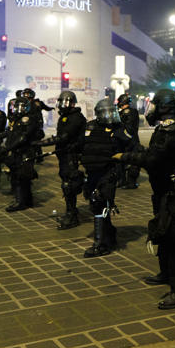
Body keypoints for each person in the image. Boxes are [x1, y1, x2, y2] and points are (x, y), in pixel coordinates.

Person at [114, 89, 175, 310]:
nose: (150, 109)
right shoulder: (172, 127)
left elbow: (153, 159)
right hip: (164, 190)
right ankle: (165, 273)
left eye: (155, 105)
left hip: (174, 191)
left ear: (164, 107)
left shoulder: (173, 129)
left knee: (172, 238)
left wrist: (126, 157)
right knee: (162, 229)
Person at [81, 98, 135, 257]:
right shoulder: (90, 126)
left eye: (112, 112)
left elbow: (132, 146)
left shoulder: (119, 129)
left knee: (100, 204)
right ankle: (109, 234)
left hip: (108, 172)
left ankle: (101, 244)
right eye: (105, 112)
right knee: (95, 204)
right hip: (92, 172)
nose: (109, 116)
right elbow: (80, 144)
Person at [39, 91, 87, 229]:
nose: (62, 105)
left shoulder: (76, 118)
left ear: (72, 103)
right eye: (60, 102)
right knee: (66, 181)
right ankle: (70, 210)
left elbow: (64, 137)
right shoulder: (65, 117)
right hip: (64, 154)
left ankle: (72, 216)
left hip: (72, 154)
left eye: (65, 102)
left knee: (69, 185)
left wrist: (42, 143)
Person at [2, 97, 41, 211]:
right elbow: (11, 134)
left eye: (22, 107)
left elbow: (23, 138)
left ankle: (20, 202)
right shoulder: (17, 119)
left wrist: (9, 147)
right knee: (22, 177)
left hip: (24, 151)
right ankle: (27, 201)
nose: (19, 109)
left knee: (20, 177)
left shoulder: (27, 119)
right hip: (18, 151)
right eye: (18, 107)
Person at [116, 93, 141, 189]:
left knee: (131, 162)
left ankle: (130, 182)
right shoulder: (129, 112)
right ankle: (123, 180)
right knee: (123, 161)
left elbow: (129, 128)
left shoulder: (128, 112)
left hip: (130, 140)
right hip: (127, 140)